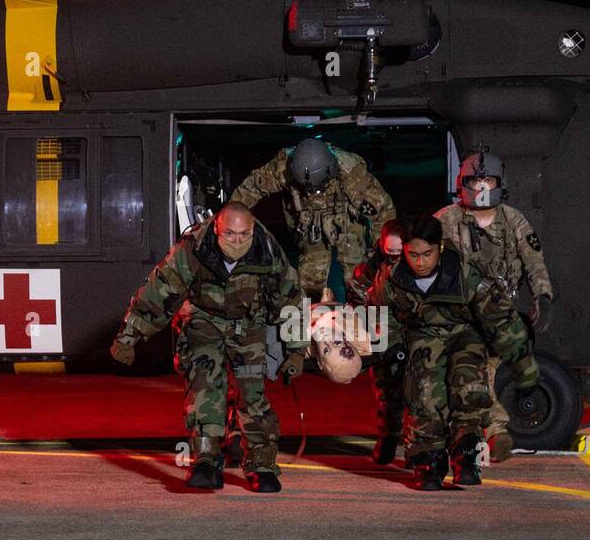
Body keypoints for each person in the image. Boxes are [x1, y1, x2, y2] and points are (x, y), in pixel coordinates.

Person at [110, 202, 306, 492]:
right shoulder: (192, 250)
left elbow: (288, 299)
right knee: (204, 387)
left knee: (252, 393)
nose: (237, 241)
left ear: (252, 230)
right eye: (230, 234)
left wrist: (296, 349)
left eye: (244, 234)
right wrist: (127, 338)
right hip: (203, 319)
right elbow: (159, 292)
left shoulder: (267, 251)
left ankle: (262, 465)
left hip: (248, 321)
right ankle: (206, 460)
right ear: (216, 229)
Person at [367, 215, 540, 491]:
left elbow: (502, 322)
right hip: (422, 337)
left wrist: (525, 369)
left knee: (468, 386)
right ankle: (428, 462)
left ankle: (466, 455)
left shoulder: (466, 276)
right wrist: (392, 346)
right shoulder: (391, 278)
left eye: (427, 254)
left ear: (440, 249)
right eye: (413, 255)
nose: (420, 262)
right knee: (422, 393)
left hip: (464, 334)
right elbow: (378, 311)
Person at [434, 149, 555, 462]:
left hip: (502, 315)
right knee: (469, 374)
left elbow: (534, 261)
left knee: (486, 373)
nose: (482, 186)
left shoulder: (513, 220)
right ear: (464, 183)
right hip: (461, 314)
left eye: (487, 179)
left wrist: (543, 295)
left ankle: (487, 433)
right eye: (475, 180)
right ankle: (489, 432)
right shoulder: (446, 220)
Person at [230, 138, 396, 300]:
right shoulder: (282, 168)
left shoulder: (353, 175)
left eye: (318, 187)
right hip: (310, 224)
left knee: (358, 275)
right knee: (311, 280)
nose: (313, 191)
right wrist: (229, 220)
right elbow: (251, 188)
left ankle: (361, 311)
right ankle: (314, 316)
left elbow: (383, 212)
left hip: (345, 220)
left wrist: (378, 253)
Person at [348, 220, 407, 464]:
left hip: (413, 333)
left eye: (398, 253)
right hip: (383, 333)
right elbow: (357, 296)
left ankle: (419, 446)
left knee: (419, 394)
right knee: (387, 390)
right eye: (389, 252)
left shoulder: (418, 263)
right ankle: (389, 437)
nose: (393, 258)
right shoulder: (371, 268)